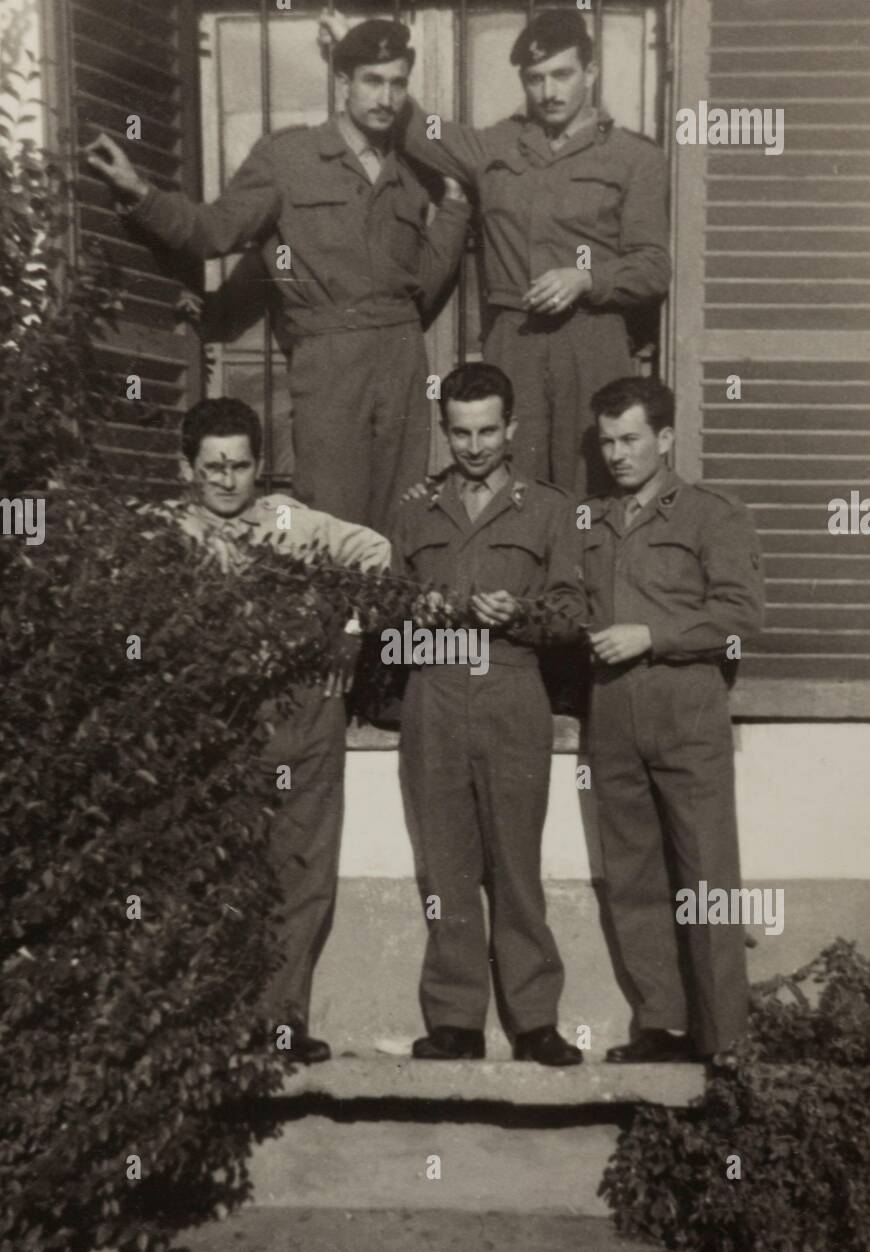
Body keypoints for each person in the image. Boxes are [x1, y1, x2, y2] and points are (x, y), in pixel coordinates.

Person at [86, 20, 470, 533]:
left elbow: (423, 284)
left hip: (403, 356)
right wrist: (140, 194)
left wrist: (455, 211)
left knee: (404, 516)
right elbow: (213, 230)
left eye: (398, 84)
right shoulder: (287, 159)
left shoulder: (410, 174)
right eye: (373, 81)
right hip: (330, 361)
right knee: (331, 520)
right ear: (342, 83)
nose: (386, 97)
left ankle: (393, 617)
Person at [322, 7, 670, 495]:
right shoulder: (495, 147)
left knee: (593, 480)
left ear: (589, 73)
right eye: (535, 79)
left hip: (594, 337)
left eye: (562, 75)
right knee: (515, 482)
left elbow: (654, 267)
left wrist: (587, 278)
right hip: (516, 335)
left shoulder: (636, 158)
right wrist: (351, 43)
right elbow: (423, 129)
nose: (549, 92)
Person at [155, 396, 390, 1063]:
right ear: (187, 469)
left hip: (302, 711)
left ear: (260, 466)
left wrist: (350, 629)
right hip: (213, 718)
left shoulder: (293, 523)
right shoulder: (164, 533)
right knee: (215, 874)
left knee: (302, 870)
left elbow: (376, 550)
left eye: (240, 466)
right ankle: (213, 1026)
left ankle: (280, 1023)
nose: (227, 481)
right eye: (213, 468)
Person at [391, 362, 585, 1066]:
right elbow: (385, 611)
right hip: (434, 688)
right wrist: (415, 610)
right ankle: (455, 1021)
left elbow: (575, 612)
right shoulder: (415, 507)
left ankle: (534, 1021)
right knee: (444, 866)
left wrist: (523, 612)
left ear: (512, 429)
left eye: (487, 431)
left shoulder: (550, 508)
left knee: (515, 864)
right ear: (445, 431)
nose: (473, 446)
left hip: (511, 686)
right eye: (459, 432)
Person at [579, 377, 764, 1067]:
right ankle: (663, 1027)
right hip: (613, 718)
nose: (618, 454)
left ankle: (726, 1042)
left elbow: (740, 615)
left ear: (663, 437)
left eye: (630, 439)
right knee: (634, 876)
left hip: (687, 710)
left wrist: (652, 635)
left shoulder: (713, 515)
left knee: (708, 878)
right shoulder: (592, 520)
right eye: (606, 442)